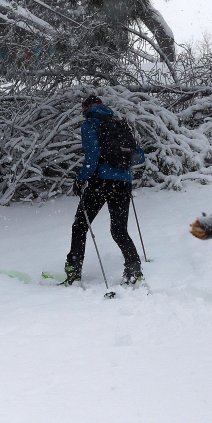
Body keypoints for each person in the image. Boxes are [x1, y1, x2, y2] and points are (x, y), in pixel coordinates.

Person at [64, 95, 145, 286]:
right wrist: (120, 166)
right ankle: (134, 270)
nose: (82, 112)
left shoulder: (90, 125)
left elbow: (93, 154)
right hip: (123, 183)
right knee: (119, 230)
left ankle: (73, 271)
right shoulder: (119, 124)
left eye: (83, 108)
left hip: (100, 182)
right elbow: (139, 157)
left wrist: (82, 178)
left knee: (80, 226)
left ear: (87, 107)